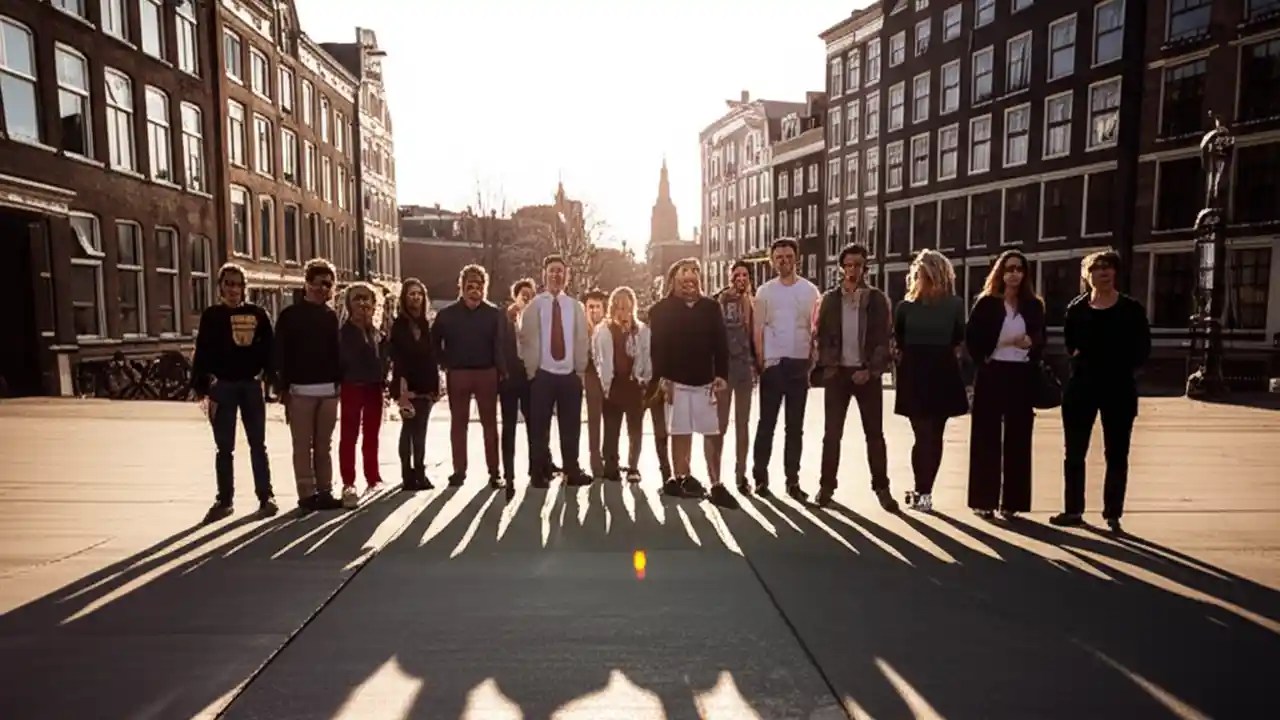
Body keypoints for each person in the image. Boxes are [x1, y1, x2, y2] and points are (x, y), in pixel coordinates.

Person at [1051, 249, 1151, 533]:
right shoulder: (1077, 309)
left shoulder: (1131, 309)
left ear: (1115, 273)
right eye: (1097, 268)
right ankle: (1073, 510)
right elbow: (1070, 344)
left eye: (1108, 268)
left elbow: (1142, 347)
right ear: (1088, 275)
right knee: (1074, 452)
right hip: (1081, 387)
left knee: (1117, 453)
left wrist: (1122, 365)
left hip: (1118, 387)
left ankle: (1112, 513)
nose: (1103, 273)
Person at [191, 263, 277, 523]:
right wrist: (200, 386)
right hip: (223, 386)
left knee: (257, 444)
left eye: (238, 284)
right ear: (220, 288)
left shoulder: (258, 314)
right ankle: (224, 499)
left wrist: (271, 379)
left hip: (251, 385)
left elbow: (269, 350)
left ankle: (266, 496)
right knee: (224, 447)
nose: (233, 289)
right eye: (228, 283)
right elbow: (202, 351)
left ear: (244, 288)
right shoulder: (211, 316)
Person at [811, 243, 896, 510]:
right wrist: (829, 366)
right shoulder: (830, 299)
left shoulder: (877, 299)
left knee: (875, 434)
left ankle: (882, 488)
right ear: (841, 267)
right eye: (848, 265)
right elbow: (821, 335)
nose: (852, 270)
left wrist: (870, 370)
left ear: (865, 268)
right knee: (831, 434)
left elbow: (884, 339)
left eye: (858, 265)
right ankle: (826, 487)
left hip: (866, 375)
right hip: (838, 375)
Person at [649, 258, 737, 508]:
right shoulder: (661, 310)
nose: (690, 277)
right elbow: (658, 349)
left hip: (705, 382)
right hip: (676, 382)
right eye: (684, 272)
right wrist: (662, 379)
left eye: (694, 272)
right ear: (673, 278)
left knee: (711, 432)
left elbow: (721, 344)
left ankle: (716, 483)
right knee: (680, 431)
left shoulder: (710, 308)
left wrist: (721, 374)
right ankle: (682, 478)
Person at [965, 250, 1045, 520]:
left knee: (1018, 438)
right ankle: (983, 500)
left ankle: (1013, 502)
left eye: (1019, 269)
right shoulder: (986, 303)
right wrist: (994, 348)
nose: (1014, 274)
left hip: (1021, 374)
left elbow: (1041, 336)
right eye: (1009, 269)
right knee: (986, 438)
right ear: (1000, 272)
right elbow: (972, 339)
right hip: (992, 371)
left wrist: (1032, 342)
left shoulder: (1033, 305)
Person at [893, 249, 968, 513]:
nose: (923, 277)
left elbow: (959, 338)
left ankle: (924, 492)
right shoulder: (905, 307)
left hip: (940, 372)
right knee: (924, 435)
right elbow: (898, 340)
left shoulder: (955, 305)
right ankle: (922, 491)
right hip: (915, 372)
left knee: (932, 435)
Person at [751, 238, 821, 500]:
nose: (784, 261)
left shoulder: (809, 291)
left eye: (788, 256)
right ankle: (760, 478)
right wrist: (761, 361)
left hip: (799, 364)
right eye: (779, 257)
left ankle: (793, 481)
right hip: (773, 364)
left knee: (795, 427)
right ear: (772, 261)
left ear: (796, 259)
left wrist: (811, 362)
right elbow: (757, 328)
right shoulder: (765, 292)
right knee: (766, 424)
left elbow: (814, 329)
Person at [274, 259, 344, 513]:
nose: (323, 288)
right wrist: (281, 387)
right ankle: (306, 494)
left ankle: (325, 491)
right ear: (306, 283)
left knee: (324, 444)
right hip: (300, 390)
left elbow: (338, 352)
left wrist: (339, 383)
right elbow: (279, 353)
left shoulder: (331, 316)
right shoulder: (290, 316)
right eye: (318, 283)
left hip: (328, 390)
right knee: (302, 444)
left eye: (328, 284)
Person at [519, 254, 593, 488]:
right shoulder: (535, 305)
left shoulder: (575, 307)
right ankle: (538, 472)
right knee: (539, 427)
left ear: (567, 276)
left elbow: (583, 339)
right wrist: (532, 371)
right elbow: (524, 339)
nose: (556, 275)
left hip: (569, 375)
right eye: (552, 270)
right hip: (543, 375)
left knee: (571, 427)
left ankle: (572, 470)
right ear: (545, 274)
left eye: (560, 271)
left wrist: (579, 371)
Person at [432, 264, 505, 489]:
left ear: (485, 288)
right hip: (459, 373)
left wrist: (501, 372)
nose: (475, 290)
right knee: (458, 424)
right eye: (470, 286)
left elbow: (500, 344)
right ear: (461, 287)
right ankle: (459, 471)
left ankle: (494, 472)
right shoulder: (446, 315)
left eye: (479, 286)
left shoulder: (494, 314)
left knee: (490, 424)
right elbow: (434, 343)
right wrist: (445, 363)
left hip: (487, 373)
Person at [337, 282, 389, 508]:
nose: (362, 303)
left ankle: (373, 476)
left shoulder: (377, 333)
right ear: (349, 304)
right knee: (349, 435)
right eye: (357, 299)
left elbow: (384, 360)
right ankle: (348, 482)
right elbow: (345, 358)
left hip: (374, 386)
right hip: (352, 385)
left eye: (367, 299)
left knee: (372, 434)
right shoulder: (344, 332)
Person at [592, 286, 652, 482]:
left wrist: (644, 378)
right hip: (613, 383)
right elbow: (598, 355)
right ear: (612, 309)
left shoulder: (641, 330)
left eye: (626, 307)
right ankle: (611, 464)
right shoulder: (604, 330)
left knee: (635, 428)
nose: (622, 312)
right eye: (618, 307)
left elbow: (646, 356)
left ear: (632, 307)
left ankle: (633, 467)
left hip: (634, 384)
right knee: (611, 428)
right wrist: (604, 380)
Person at [708, 261, 757, 494]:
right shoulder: (721, 301)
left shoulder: (753, 302)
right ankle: (715, 476)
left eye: (745, 275)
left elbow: (755, 335)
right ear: (730, 277)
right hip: (725, 369)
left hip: (745, 369)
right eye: (736, 274)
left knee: (743, 424)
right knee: (720, 424)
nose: (740, 278)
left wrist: (758, 365)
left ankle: (741, 474)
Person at [389, 278, 440, 492]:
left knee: (421, 431)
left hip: (426, 383)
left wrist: (436, 386)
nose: (416, 297)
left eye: (419, 294)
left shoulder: (428, 324)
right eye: (411, 293)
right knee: (408, 429)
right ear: (404, 297)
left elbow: (433, 356)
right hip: (405, 384)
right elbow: (397, 357)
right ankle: (406, 474)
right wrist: (401, 390)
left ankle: (420, 471)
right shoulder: (398, 325)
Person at [499, 278, 536, 496]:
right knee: (509, 426)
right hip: (509, 379)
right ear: (515, 296)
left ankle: (536, 468)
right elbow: (498, 345)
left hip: (530, 379)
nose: (527, 298)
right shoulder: (504, 317)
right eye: (523, 294)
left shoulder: (538, 318)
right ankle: (509, 473)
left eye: (531, 295)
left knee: (535, 425)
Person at [581, 288, 609, 479]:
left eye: (597, 307)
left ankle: (609, 455)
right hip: (590, 373)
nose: (593, 311)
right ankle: (595, 459)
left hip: (609, 374)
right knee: (594, 418)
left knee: (611, 416)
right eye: (590, 307)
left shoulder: (608, 327)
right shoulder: (581, 328)